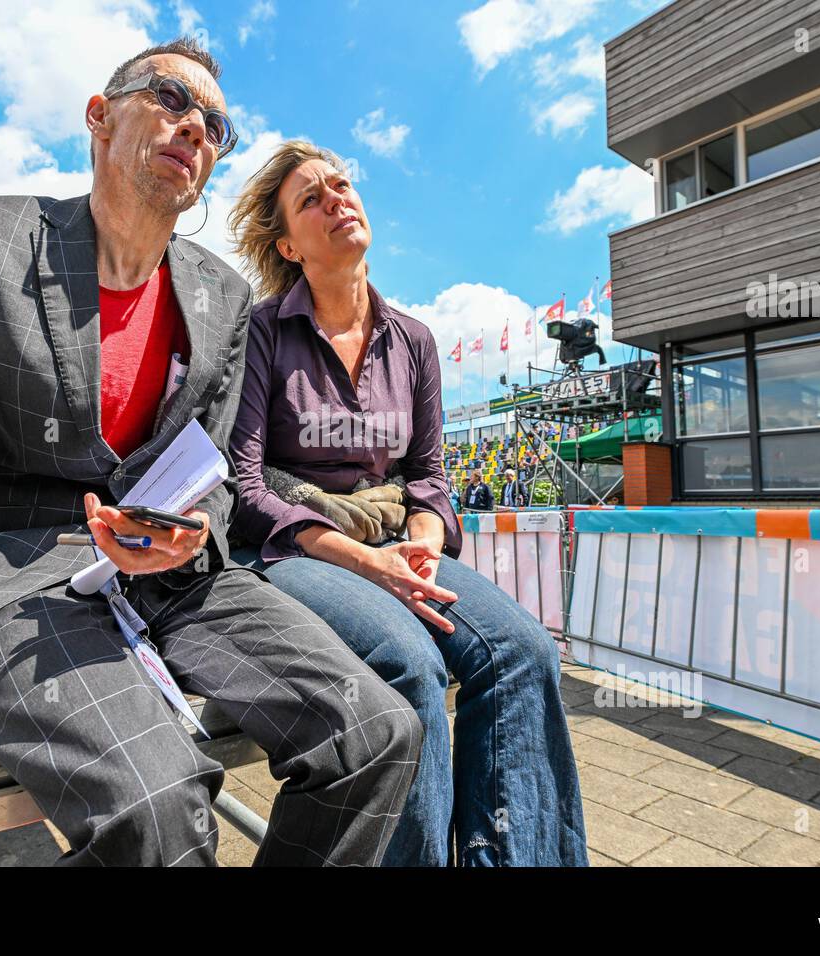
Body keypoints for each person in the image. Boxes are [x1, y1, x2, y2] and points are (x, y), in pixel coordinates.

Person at [0, 39, 420, 867]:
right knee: (159, 803)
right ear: (100, 117)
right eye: (171, 99)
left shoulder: (224, 292)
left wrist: (191, 526)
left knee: (378, 732)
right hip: (20, 570)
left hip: (171, 573)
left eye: (216, 124)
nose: (195, 128)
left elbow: (211, 461)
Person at [225, 140, 588, 867]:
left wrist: (421, 542)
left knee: (524, 650)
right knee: (411, 664)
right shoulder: (261, 331)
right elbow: (246, 484)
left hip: (397, 539)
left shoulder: (413, 339)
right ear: (289, 245)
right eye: (312, 199)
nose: (338, 200)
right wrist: (367, 561)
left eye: (342, 184)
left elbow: (429, 477)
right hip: (295, 547)